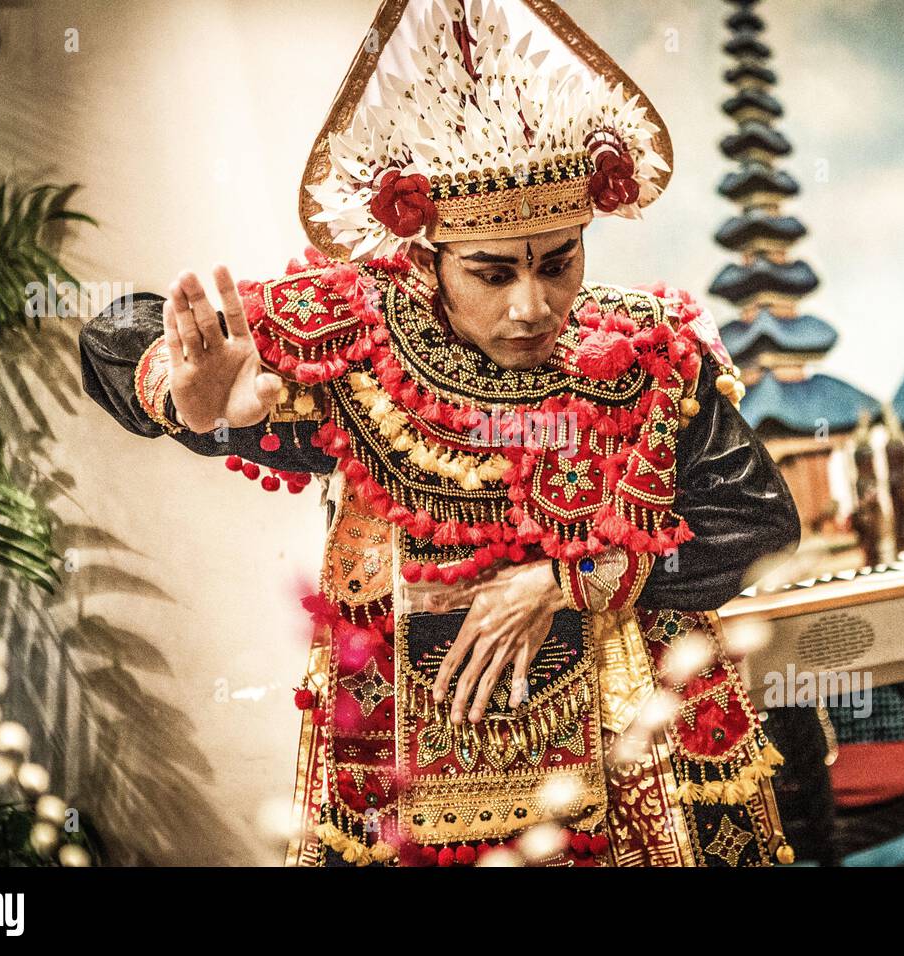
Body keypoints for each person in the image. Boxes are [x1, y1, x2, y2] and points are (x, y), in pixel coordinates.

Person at [79, 0, 801, 867]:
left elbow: (759, 525)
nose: (531, 306)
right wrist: (183, 398)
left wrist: (566, 583)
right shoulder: (353, 339)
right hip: (403, 764)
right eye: (492, 273)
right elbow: (115, 332)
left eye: (559, 261)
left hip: (634, 757)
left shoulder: (645, 352)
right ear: (425, 259)